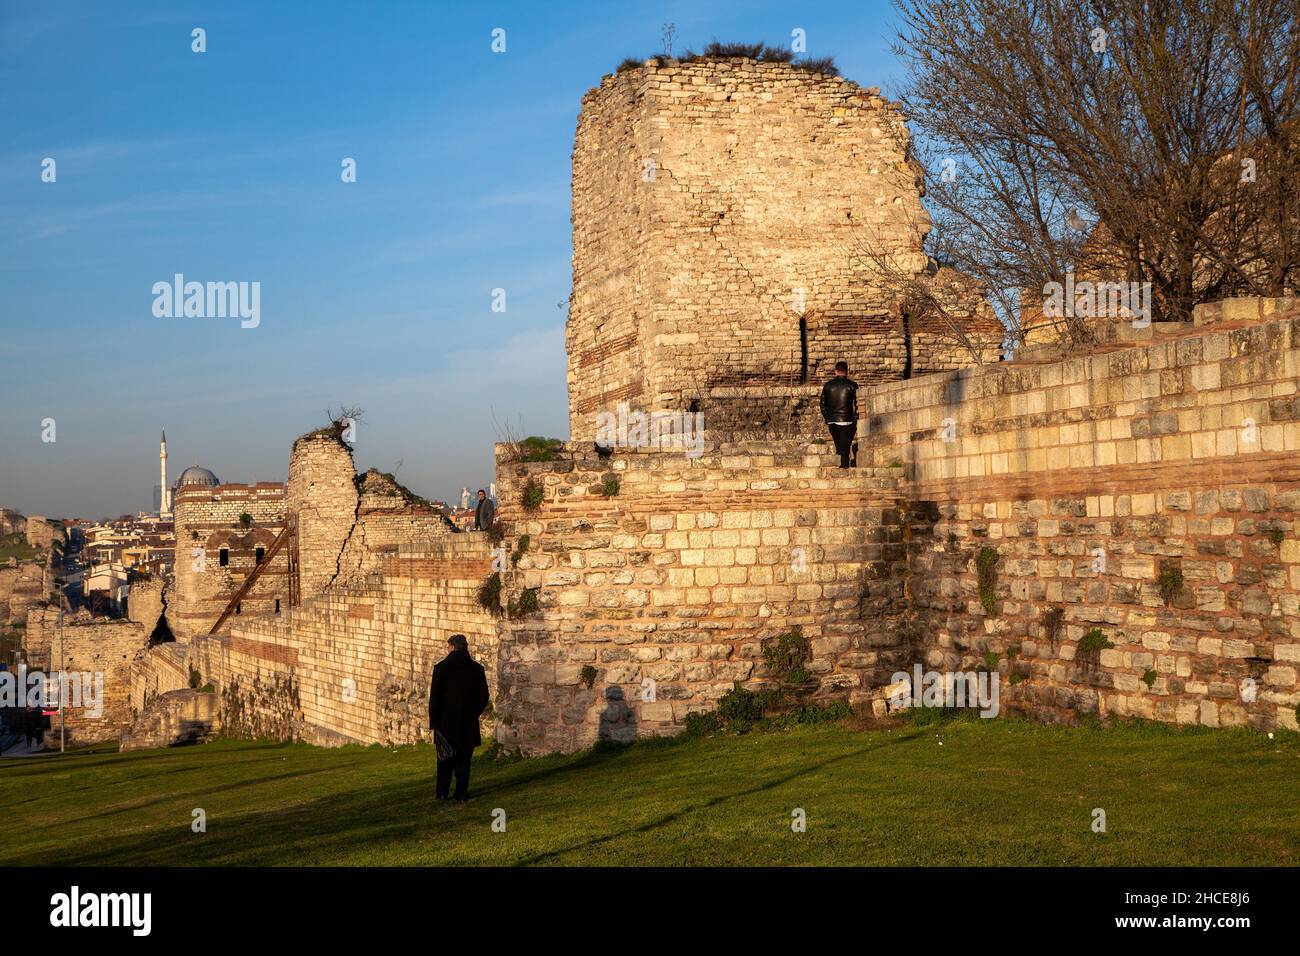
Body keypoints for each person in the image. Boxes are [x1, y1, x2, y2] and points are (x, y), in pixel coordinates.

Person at [428, 633, 490, 802]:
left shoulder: (440, 668)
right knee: (464, 760)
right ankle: (461, 793)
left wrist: (434, 723)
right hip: (468, 722)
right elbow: (484, 696)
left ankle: (442, 792)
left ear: (452, 647)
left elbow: (434, 699)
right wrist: (473, 712)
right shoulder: (477, 669)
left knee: (444, 760)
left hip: (445, 723)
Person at [820, 360, 859, 468]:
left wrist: (828, 418)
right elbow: (857, 405)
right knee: (844, 449)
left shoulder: (828, 386)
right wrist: (855, 419)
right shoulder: (852, 385)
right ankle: (844, 469)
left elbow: (822, 405)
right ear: (847, 371)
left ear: (835, 371)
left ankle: (842, 467)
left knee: (840, 448)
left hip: (832, 421)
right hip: (847, 421)